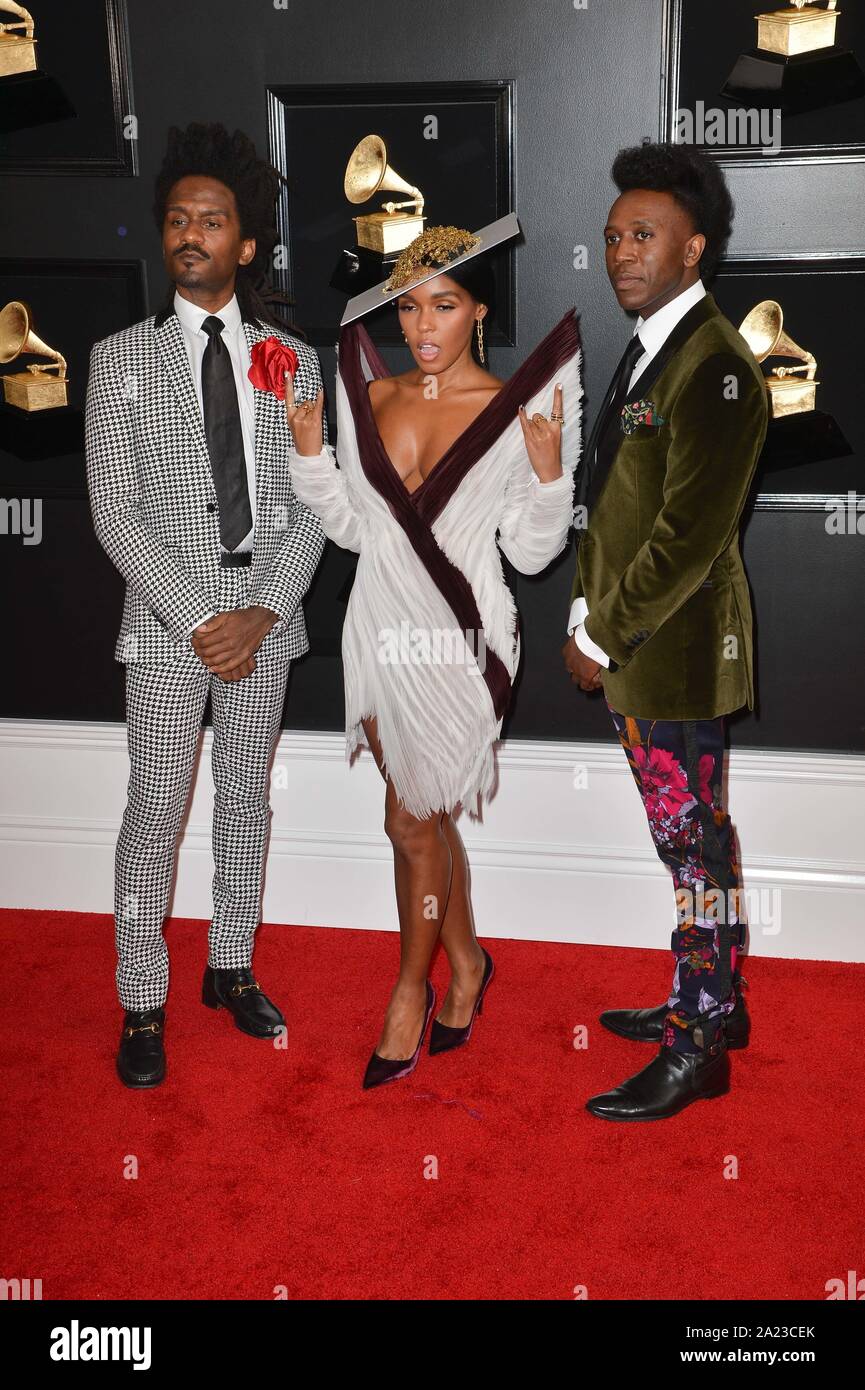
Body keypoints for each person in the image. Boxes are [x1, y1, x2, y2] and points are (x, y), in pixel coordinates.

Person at [286, 220, 582, 1088]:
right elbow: (349, 529)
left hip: (459, 638)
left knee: (409, 820)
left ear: (477, 311)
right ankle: (470, 962)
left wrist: (551, 472)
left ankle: (409, 991)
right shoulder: (370, 400)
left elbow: (530, 555)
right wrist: (312, 459)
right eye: (408, 306)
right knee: (422, 817)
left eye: (443, 306)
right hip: (377, 627)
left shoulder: (511, 408)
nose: (421, 326)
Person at [84, 122, 326, 1088]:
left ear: (247, 243)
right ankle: (142, 1000)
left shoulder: (291, 361)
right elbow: (114, 509)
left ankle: (231, 966)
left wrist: (259, 612)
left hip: (265, 622)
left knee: (244, 803)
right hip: (164, 624)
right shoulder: (117, 360)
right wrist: (198, 619)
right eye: (178, 219)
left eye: (212, 220)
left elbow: (314, 498)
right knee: (154, 808)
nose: (192, 232)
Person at [562, 141, 768, 1121]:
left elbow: (687, 539)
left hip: (674, 650)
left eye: (641, 235)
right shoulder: (656, 345)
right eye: (611, 238)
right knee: (698, 841)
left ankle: (699, 1043)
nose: (619, 253)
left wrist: (597, 635)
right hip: (642, 643)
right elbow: (617, 500)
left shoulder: (718, 368)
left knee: (692, 846)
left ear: (693, 248)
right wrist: (582, 607)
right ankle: (713, 1004)